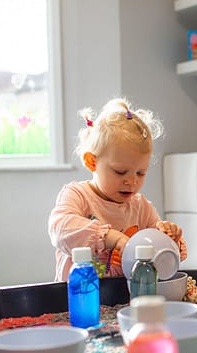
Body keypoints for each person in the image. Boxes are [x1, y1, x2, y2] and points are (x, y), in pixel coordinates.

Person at [48, 97, 187, 281]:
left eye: (140, 173)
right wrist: (111, 238)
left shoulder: (141, 207)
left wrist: (169, 239)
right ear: (92, 161)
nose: (132, 181)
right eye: (120, 172)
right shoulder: (77, 195)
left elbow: (160, 258)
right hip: (80, 295)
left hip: (127, 295)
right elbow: (60, 230)